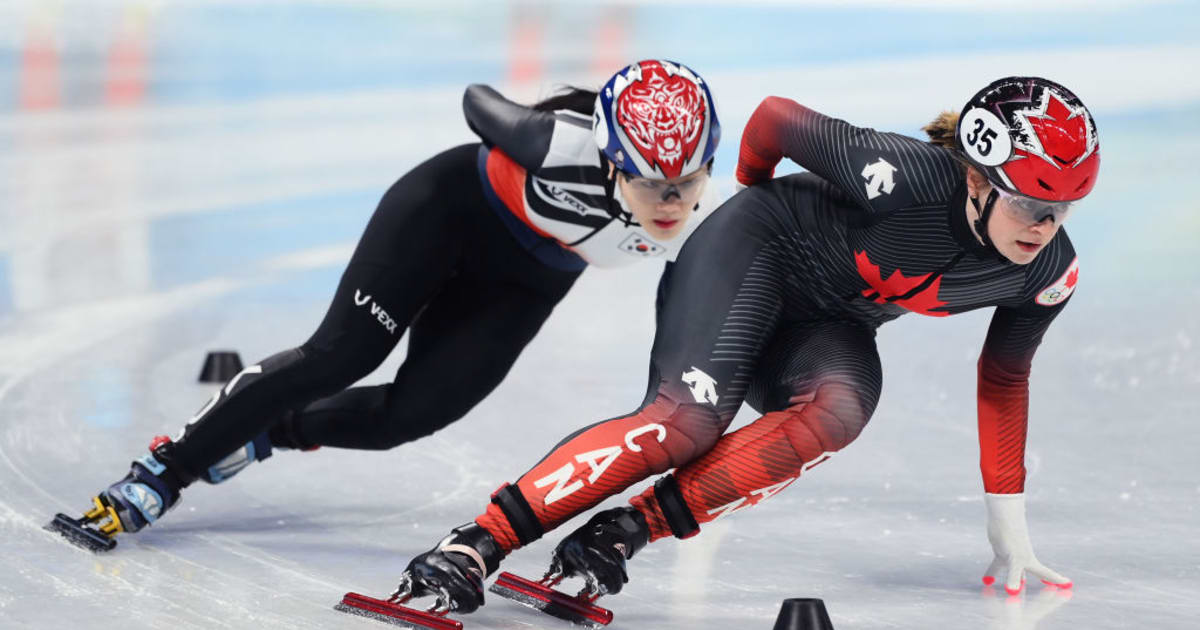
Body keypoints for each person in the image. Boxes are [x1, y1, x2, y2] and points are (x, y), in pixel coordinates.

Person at [392, 76, 1099, 614]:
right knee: (684, 424)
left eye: (1062, 210)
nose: (1044, 226)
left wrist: (1007, 517)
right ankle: (478, 541)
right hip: (754, 255)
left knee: (842, 409)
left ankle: (623, 531)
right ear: (975, 180)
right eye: (1030, 205)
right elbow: (774, 122)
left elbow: (1004, 378)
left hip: (825, 324)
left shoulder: (1046, 272)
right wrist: (754, 204)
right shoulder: (903, 175)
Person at [65, 59, 723, 544]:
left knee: (406, 418)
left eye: (686, 184)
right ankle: (164, 470)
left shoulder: (703, 218)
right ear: (608, 161)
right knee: (338, 357)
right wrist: (535, 125)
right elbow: (477, 100)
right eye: (650, 183)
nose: (670, 204)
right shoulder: (558, 146)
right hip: (448, 214)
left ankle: (270, 432)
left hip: (526, 281)